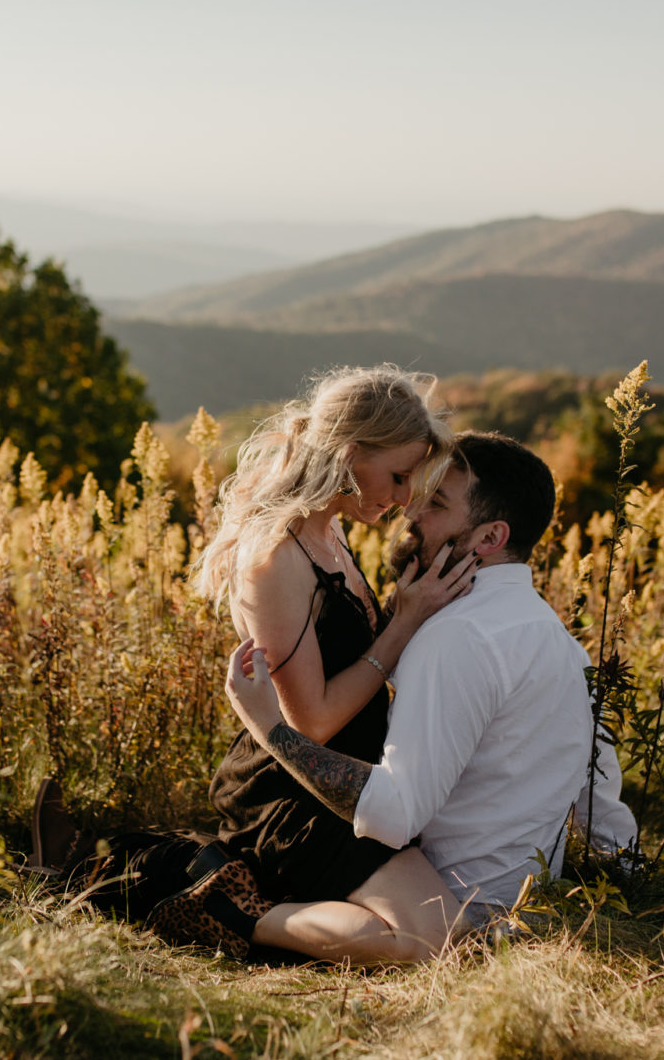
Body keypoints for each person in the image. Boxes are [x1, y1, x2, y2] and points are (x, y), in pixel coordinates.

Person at [30, 365, 478, 958]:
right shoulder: (276, 559)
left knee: (452, 937)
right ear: (348, 453)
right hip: (294, 795)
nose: (401, 499)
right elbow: (310, 721)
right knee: (428, 944)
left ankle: (189, 877)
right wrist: (403, 623)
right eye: (397, 476)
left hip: (350, 786)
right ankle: (225, 907)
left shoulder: (330, 535)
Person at [204, 431, 637, 960]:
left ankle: (232, 914)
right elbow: (601, 795)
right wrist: (628, 887)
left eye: (435, 504)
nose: (410, 512)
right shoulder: (563, 643)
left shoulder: (455, 637)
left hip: (455, 909)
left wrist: (271, 730)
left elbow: (393, 815)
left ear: (489, 537)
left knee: (421, 939)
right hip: (524, 909)